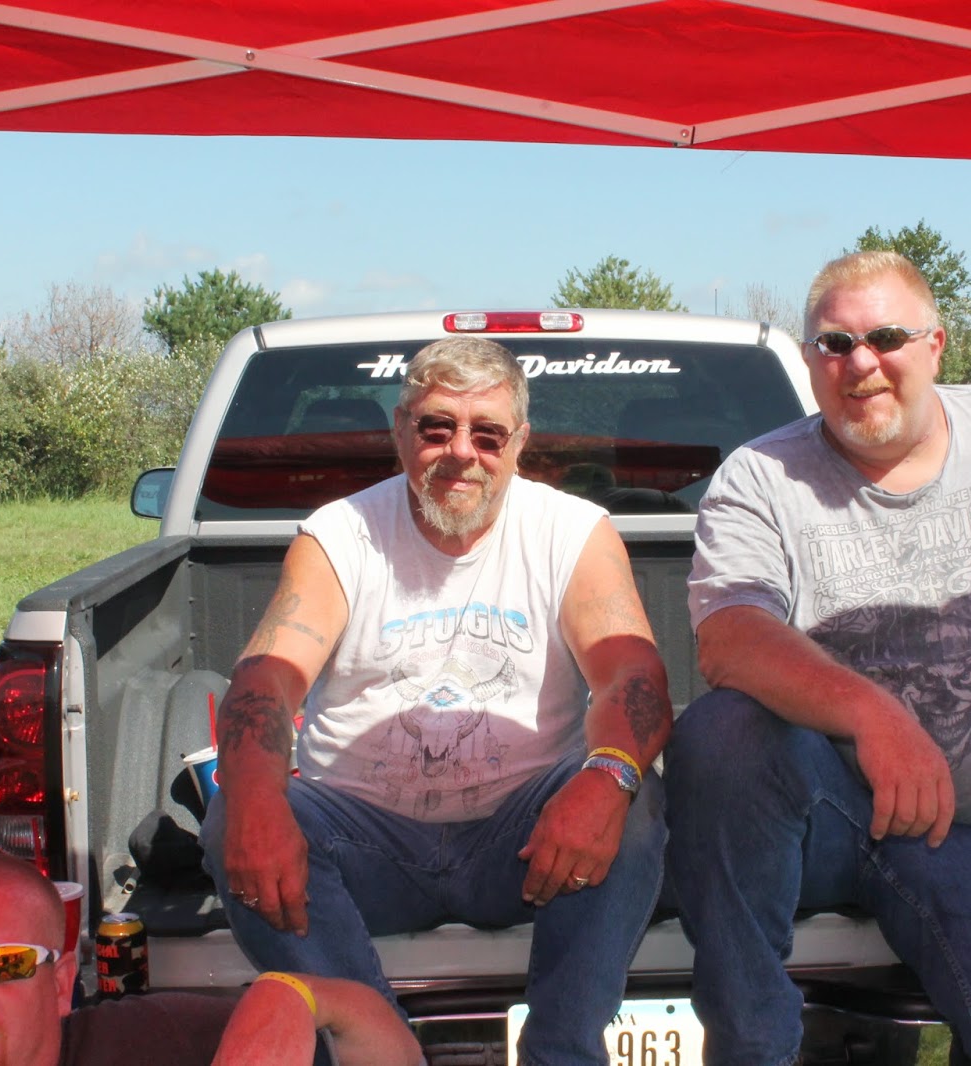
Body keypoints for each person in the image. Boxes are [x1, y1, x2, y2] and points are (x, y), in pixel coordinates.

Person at [664, 250, 971, 1064]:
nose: (860, 364)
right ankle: (751, 1045)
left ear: (936, 345)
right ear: (810, 356)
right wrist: (873, 717)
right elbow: (731, 635)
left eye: (886, 337)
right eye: (834, 343)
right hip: (819, 820)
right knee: (723, 731)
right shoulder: (760, 476)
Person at [200, 336, 674, 1065]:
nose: (461, 453)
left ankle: (562, 1053)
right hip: (363, 843)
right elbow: (264, 682)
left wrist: (605, 777)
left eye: (487, 434)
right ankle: (376, 1048)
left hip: (526, 844)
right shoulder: (339, 535)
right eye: (436, 427)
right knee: (234, 812)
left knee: (628, 795)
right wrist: (257, 802)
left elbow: (632, 679)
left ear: (519, 443)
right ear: (400, 433)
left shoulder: (572, 532)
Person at [0, 852, 421, 1066]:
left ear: (59, 986)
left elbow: (391, 1054)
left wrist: (298, 996)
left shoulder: (152, 1042)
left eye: (8, 964)